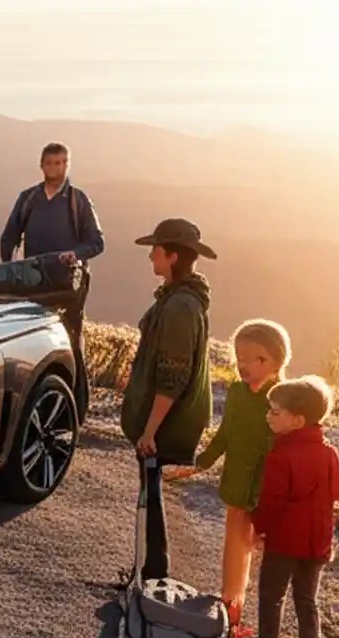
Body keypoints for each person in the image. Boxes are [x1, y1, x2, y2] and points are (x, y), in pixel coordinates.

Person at [166, 319, 293, 638]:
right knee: (234, 550)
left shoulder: (282, 403)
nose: (244, 365)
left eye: (256, 359)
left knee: (265, 559)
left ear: (277, 362)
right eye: (240, 358)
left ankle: (262, 627)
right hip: (236, 487)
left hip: (267, 493)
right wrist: (199, 465)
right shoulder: (237, 393)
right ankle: (231, 608)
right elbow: (224, 435)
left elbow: (286, 451)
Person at [120, 218, 217, 579]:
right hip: (161, 420)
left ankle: (151, 573)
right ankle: (147, 569)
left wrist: (150, 431)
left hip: (164, 424)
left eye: (156, 251)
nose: (151, 257)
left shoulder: (180, 308)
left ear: (173, 257)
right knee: (150, 493)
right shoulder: (177, 300)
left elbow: (172, 376)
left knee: (151, 496)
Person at [236, 375, 339, 638]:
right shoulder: (329, 454)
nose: (268, 416)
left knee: (272, 597)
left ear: (297, 421)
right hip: (317, 543)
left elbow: (271, 503)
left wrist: (258, 528)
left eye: (275, 411)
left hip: (284, 542)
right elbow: (336, 493)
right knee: (307, 600)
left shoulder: (280, 456)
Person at [0, 143, 106, 417]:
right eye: (50, 163)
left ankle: (74, 409)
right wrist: (9, 271)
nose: (55, 168)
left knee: (70, 342)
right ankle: (40, 405)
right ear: (42, 165)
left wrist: (76, 254)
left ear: (67, 165)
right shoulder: (28, 199)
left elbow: (97, 242)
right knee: (37, 342)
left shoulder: (78, 201)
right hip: (34, 283)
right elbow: (9, 237)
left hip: (69, 287)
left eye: (60, 163)